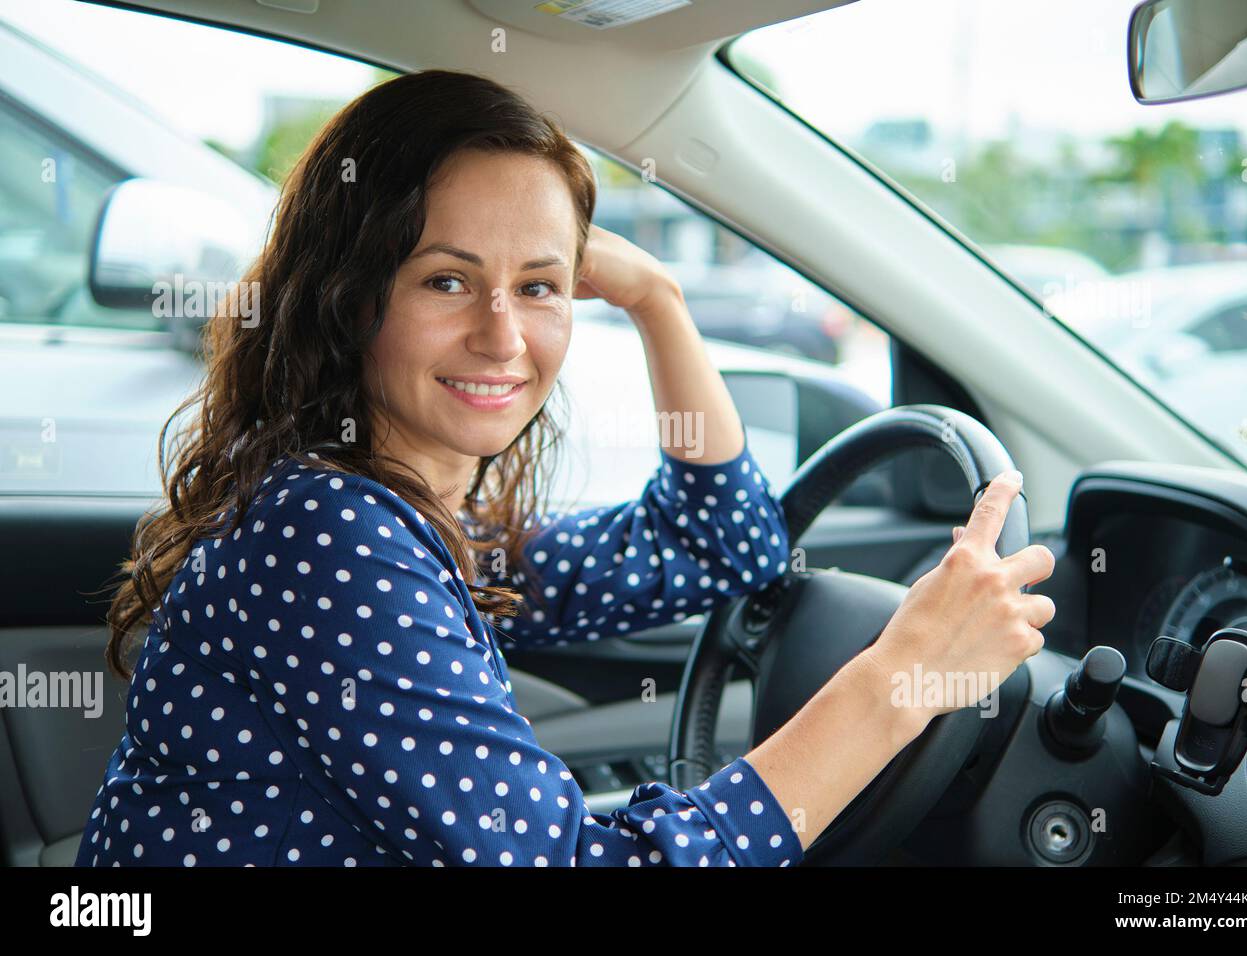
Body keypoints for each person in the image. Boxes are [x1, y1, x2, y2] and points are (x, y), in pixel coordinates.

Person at [75, 69, 1054, 867]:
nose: (503, 334)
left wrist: (657, 297)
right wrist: (902, 680)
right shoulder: (330, 533)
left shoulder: (423, 521)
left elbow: (723, 543)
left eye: (539, 285)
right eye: (448, 279)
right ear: (350, 295)